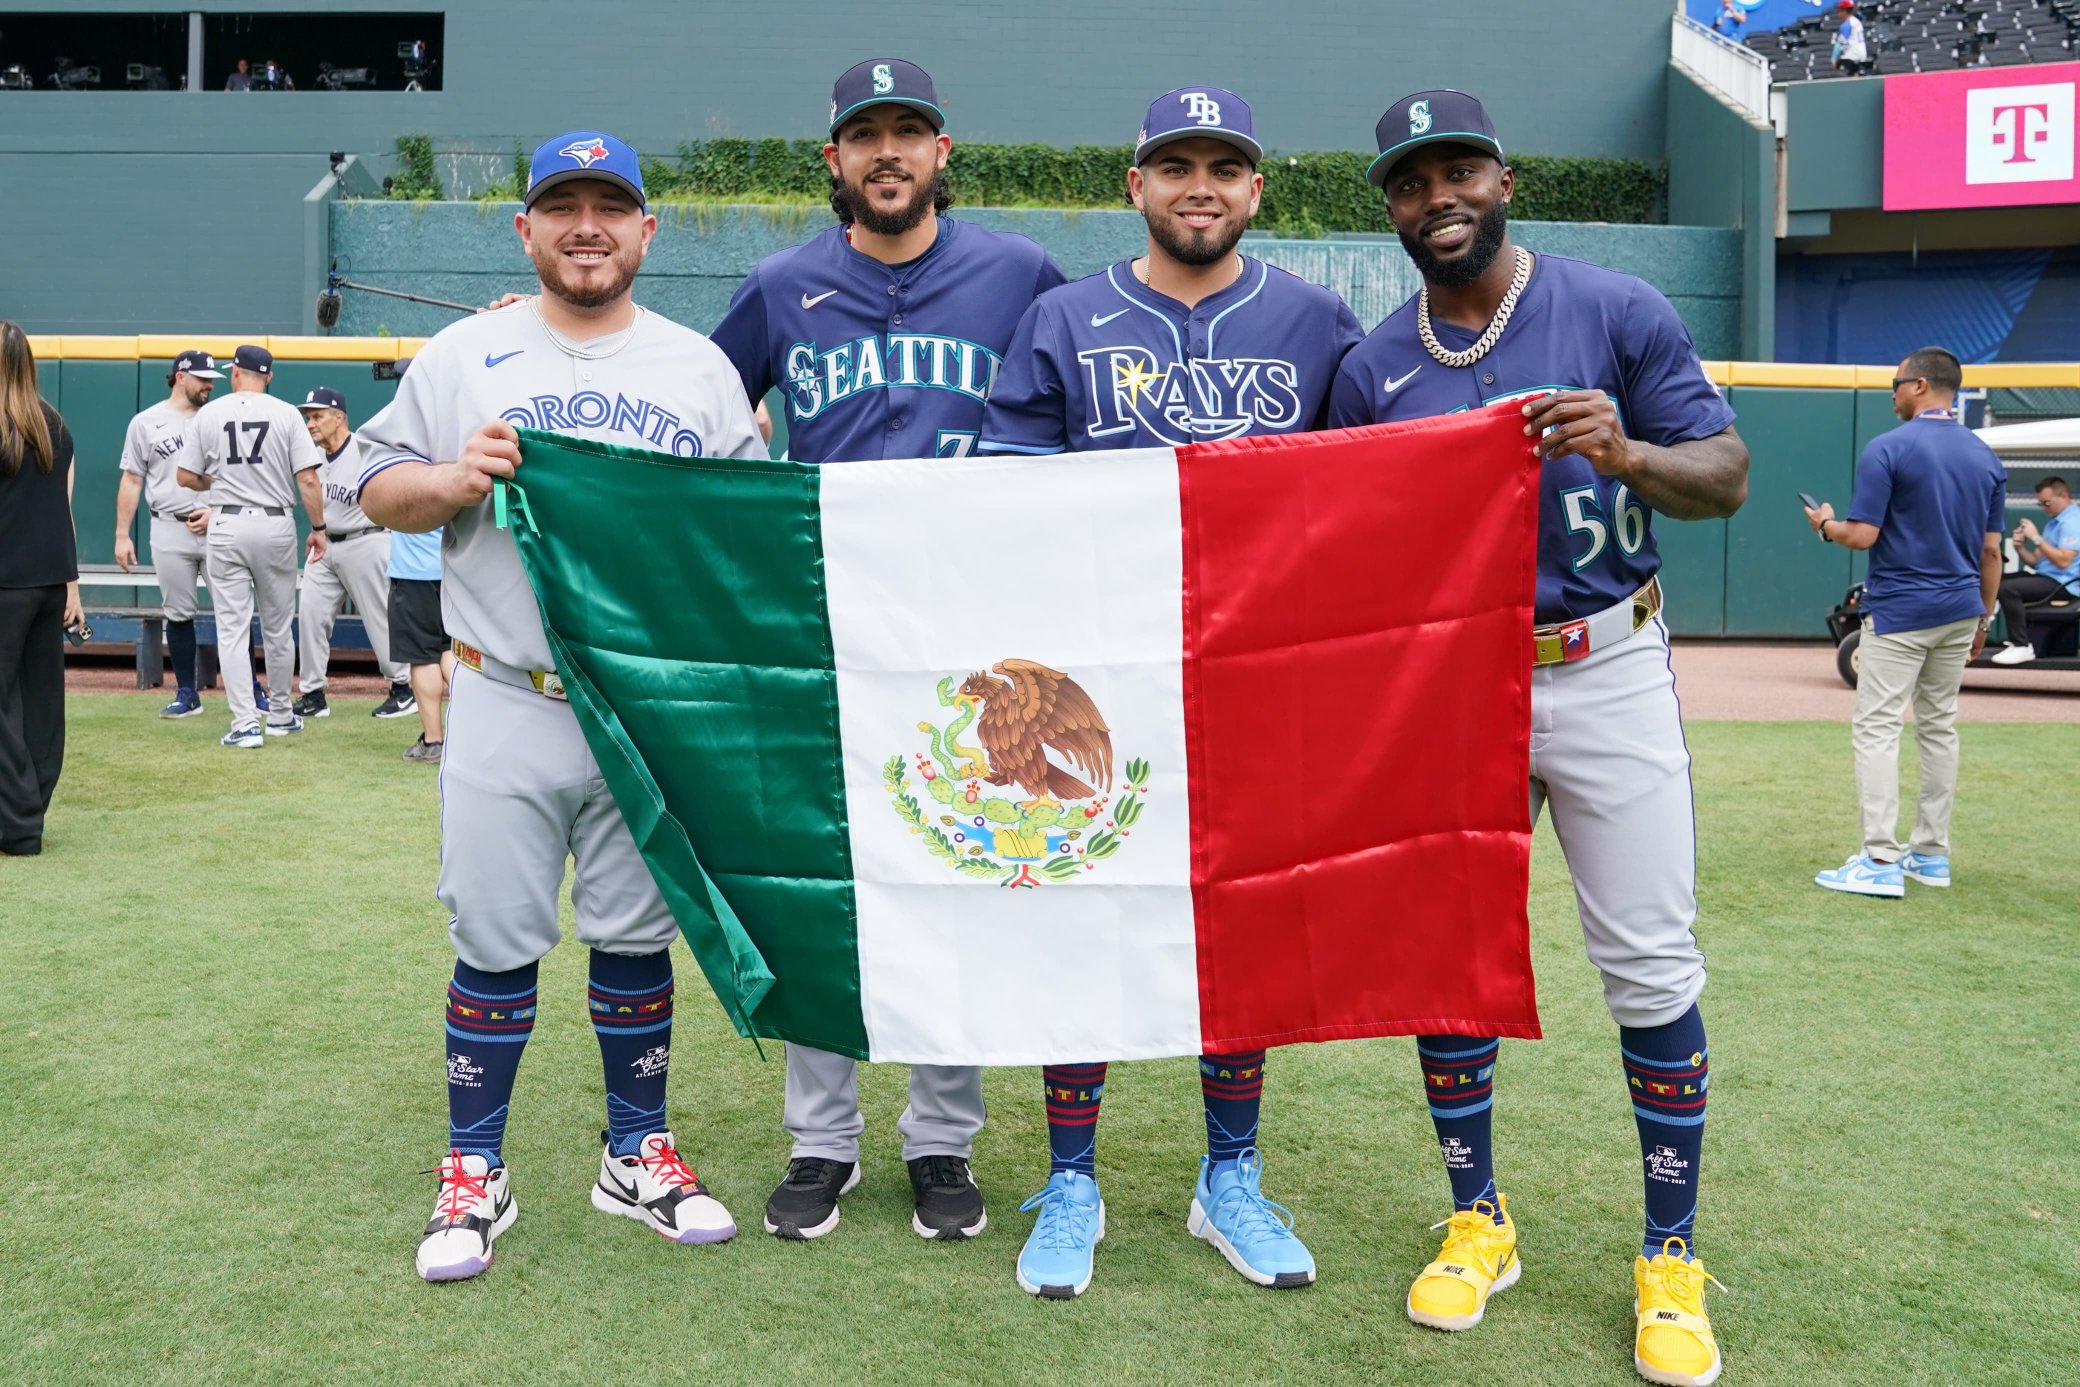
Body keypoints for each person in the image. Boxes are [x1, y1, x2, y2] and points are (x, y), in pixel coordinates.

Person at [1326, 91, 1749, 1387]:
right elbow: (1337, 543)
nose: (1436, 195)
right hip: (1455, 682)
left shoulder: (1614, 308)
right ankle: (1478, 1216)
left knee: (1646, 956)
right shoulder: (1373, 365)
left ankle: (1668, 1250)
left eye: (1457, 170)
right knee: (1450, 950)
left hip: (1605, 657)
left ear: (1503, 178)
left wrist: (1625, 452)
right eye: (1409, 181)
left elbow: (1726, 474)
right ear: (1392, 206)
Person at [356, 131, 765, 1282]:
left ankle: (635, 1151)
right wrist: (452, 479)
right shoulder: (466, 353)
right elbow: (373, 486)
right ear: (525, 229)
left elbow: (746, 523)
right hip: (507, 690)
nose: (587, 226)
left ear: (647, 230)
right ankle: (473, 1167)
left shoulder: (698, 367)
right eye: (562, 205)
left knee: (637, 935)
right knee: (493, 937)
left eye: (610, 205)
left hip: (645, 701)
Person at [980, 86, 1362, 1300]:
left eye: (1224, 165)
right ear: (1134, 186)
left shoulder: (1315, 321)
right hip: (1107, 675)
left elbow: (1369, 498)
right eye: (1174, 164)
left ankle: (1228, 1176)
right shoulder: (1065, 315)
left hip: (1258, 675)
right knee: (1083, 916)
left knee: (1239, 925)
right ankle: (1073, 1176)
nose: (1199, 184)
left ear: (1256, 191)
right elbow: (1007, 493)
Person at [708, 56, 1067, 1247]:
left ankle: (940, 1141)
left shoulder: (1020, 274)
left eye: (908, 131)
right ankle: (822, 1141)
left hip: (976, 634)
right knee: (827, 882)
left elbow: (1084, 411)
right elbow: (695, 409)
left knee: (957, 879)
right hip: (828, 625)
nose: (887, 153)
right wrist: (544, 333)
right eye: (865, 135)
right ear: (834, 161)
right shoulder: (779, 284)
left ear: (941, 154)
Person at [1807, 347, 2005, 896]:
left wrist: (1825, 524)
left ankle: (1878, 859)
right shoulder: (1985, 457)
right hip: (1963, 609)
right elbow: (1992, 554)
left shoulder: (1888, 448)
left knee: (1878, 727)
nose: (1891, 392)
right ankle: (1931, 855)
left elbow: (1861, 535)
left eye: (1895, 383)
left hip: (1902, 610)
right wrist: (1984, 621)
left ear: (1919, 385)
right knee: (1939, 726)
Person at [178, 345, 327, 748]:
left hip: (226, 522)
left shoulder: (210, 413)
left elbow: (185, 476)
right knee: (278, 629)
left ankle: (245, 722)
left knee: (232, 629)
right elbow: (309, 479)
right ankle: (280, 715)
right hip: (275, 522)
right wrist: (319, 527)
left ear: (236, 373)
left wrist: (220, 482)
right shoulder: (286, 413)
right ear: (270, 377)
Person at [0, 322, 83, 857]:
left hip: (7, 582)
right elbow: (63, 512)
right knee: (41, 702)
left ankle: (18, 819)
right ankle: (28, 816)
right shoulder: (56, 425)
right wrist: (73, 586)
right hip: (49, 580)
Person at [291, 386, 415, 720]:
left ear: (339, 417)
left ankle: (402, 689)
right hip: (325, 543)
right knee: (311, 615)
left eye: (317, 417)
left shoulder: (364, 449)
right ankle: (313, 694)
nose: (310, 424)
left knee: (379, 618)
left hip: (366, 539)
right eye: (308, 418)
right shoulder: (311, 456)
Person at [114, 349, 222, 718]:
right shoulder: (146, 422)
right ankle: (187, 693)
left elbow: (236, 476)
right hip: (167, 523)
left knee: (234, 610)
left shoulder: (219, 419)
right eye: (203, 379)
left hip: (216, 523)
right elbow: (131, 478)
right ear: (180, 376)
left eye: (212, 380)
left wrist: (217, 509)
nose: (209, 385)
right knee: (177, 613)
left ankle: (251, 690)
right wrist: (121, 534)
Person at [1990, 475, 2079, 664]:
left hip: (2064, 584)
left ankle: (2021, 645)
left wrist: (2036, 538)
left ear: (2063, 495)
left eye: (2047, 503)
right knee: (1996, 581)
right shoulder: (2053, 522)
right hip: (2047, 577)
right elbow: (2036, 563)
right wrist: (2020, 548)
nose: (2044, 508)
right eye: (2041, 504)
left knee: (2008, 589)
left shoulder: (2072, 522)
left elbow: (2064, 562)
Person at [387, 519, 451, 764]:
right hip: (450, 571)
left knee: (423, 657)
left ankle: (433, 742)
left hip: (413, 572)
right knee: (449, 650)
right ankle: (476, 729)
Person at [1832, 0, 1870, 75]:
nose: (1838, 13)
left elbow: (1840, 43)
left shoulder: (1847, 24)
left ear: (1845, 11)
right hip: (1862, 54)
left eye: (1839, 10)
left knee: (1840, 67)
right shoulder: (1857, 22)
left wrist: (1833, 58)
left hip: (1852, 56)